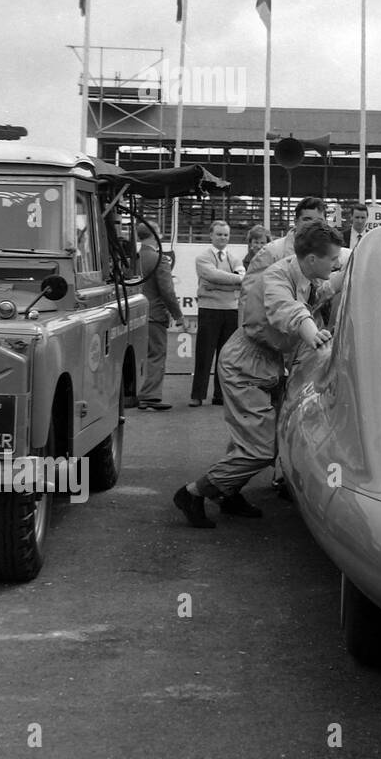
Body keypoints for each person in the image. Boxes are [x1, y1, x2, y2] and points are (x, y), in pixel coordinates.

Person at [173, 221, 341, 528]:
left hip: (266, 361)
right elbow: (288, 310)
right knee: (261, 449)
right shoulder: (277, 275)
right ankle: (193, 492)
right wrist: (313, 334)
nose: (337, 263)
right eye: (333, 259)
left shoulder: (308, 275)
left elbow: (326, 290)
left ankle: (228, 492)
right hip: (245, 364)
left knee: (254, 439)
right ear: (314, 259)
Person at [190, 220, 243, 407]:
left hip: (231, 310)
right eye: (219, 234)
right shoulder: (202, 258)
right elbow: (212, 276)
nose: (223, 237)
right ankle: (198, 395)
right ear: (211, 235)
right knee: (204, 354)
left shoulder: (234, 258)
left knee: (226, 356)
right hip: (209, 310)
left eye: (226, 235)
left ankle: (220, 396)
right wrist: (232, 283)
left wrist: (216, 286)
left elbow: (240, 279)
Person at [135, 223, 183, 411]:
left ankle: (134, 393)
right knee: (156, 355)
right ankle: (150, 395)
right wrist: (178, 315)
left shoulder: (133, 259)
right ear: (156, 234)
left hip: (133, 314)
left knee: (139, 355)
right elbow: (167, 291)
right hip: (154, 314)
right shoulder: (159, 259)